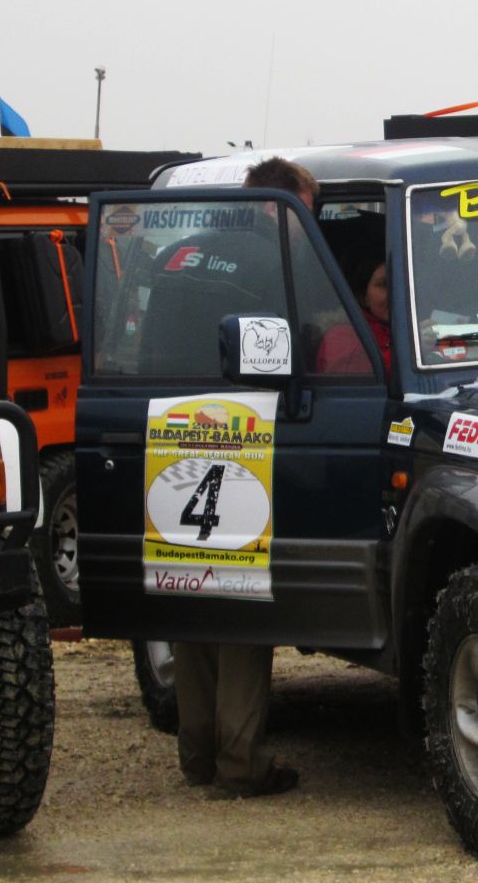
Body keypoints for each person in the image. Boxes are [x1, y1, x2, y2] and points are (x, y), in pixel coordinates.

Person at [172, 155, 315, 798]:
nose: (306, 227)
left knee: (191, 597)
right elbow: (296, 348)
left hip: (167, 426)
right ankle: (240, 765)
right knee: (240, 608)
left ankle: (198, 755)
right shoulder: (278, 261)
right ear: (281, 207)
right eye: (304, 215)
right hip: (240, 428)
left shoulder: (178, 254)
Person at [315, 252, 391, 373]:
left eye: (401, 284)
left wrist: (431, 342)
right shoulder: (344, 335)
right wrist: (410, 352)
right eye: (384, 285)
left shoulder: (411, 329)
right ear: (363, 297)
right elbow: (357, 380)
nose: (396, 292)